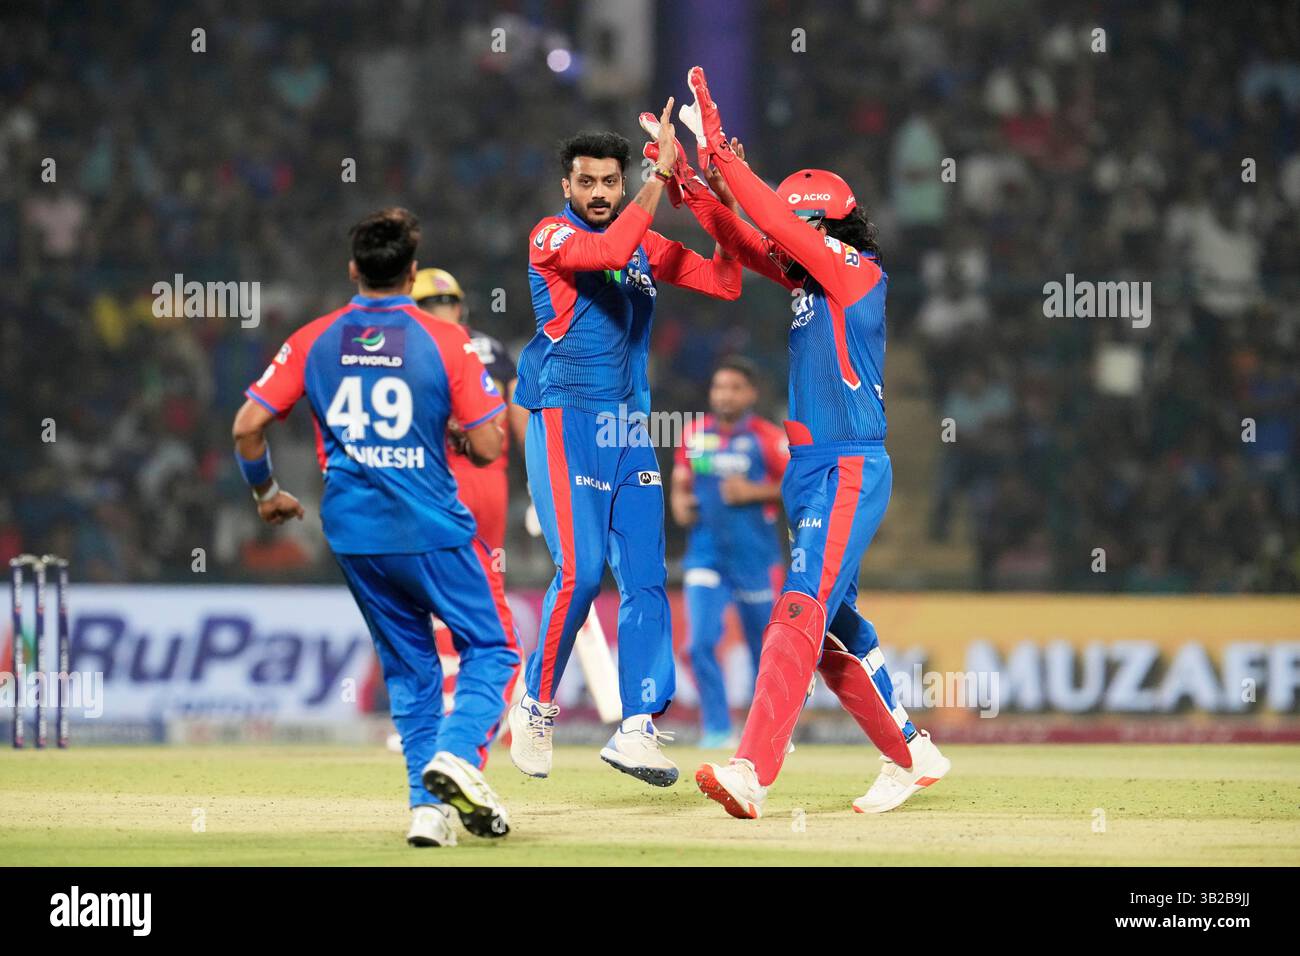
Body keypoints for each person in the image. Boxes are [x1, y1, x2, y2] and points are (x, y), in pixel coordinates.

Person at [676, 67, 952, 817]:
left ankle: (752, 771)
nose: (789, 240)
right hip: (809, 471)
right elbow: (749, 234)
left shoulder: (858, 272)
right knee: (834, 631)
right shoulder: (810, 282)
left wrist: (726, 159)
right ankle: (911, 752)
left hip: (849, 467)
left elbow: (773, 224)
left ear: (828, 227)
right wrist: (694, 188)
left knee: (797, 609)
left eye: (803, 227)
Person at [230, 208, 519, 847]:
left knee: (411, 669)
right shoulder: (449, 343)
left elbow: (246, 426)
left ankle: (428, 813)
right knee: (494, 648)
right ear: (412, 273)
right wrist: (459, 429)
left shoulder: (312, 339)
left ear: (354, 269)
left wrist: (268, 494)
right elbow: (491, 446)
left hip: (355, 533)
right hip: (433, 527)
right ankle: (459, 753)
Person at [507, 100, 742, 787]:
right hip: (562, 419)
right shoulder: (551, 236)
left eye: (611, 181)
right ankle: (537, 705)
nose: (601, 193)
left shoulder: (642, 242)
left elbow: (725, 281)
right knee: (580, 574)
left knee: (644, 580)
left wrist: (708, 198)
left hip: (626, 429)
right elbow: (606, 253)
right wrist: (655, 181)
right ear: (567, 188)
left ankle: (637, 728)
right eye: (589, 182)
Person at [671, 356, 787, 748]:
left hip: (754, 558)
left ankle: (766, 733)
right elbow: (681, 480)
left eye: (735, 387)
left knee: (764, 650)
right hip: (705, 555)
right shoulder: (695, 435)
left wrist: (753, 492)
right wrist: (679, 501)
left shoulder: (768, 438)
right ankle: (718, 729)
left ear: (751, 393)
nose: (726, 394)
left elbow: (798, 487)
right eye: (720, 386)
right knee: (698, 643)